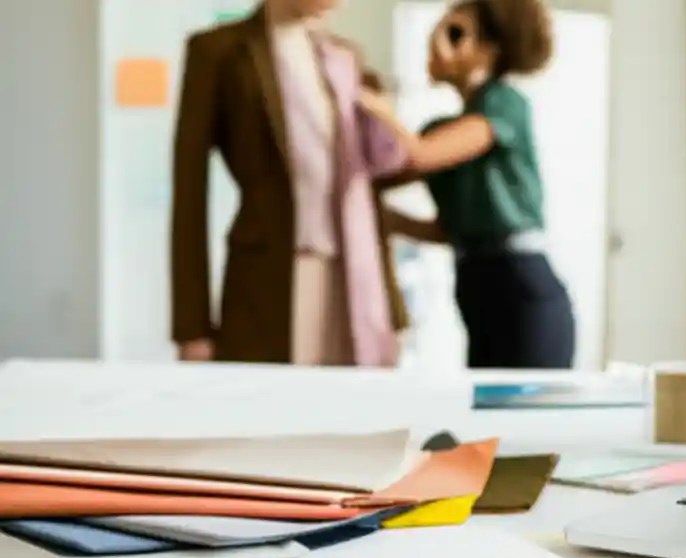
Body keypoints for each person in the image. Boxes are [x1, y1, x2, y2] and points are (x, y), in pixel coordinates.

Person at [170, 0, 408, 366]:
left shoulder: (345, 58)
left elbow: (366, 190)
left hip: (355, 279)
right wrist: (192, 327)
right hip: (267, 281)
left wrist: (392, 309)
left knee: (355, 414)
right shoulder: (217, 52)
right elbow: (189, 192)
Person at [358, 0, 576, 369]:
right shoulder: (439, 130)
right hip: (476, 286)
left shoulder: (504, 105)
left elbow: (418, 156)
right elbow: (449, 228)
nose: (437, 41)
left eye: (456, 33)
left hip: (521, 287)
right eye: (440, 29)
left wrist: (375, 106)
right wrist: (384, 219)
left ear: (489, 50)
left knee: (526, 419)